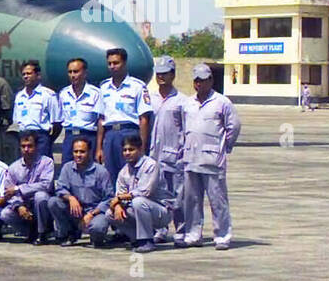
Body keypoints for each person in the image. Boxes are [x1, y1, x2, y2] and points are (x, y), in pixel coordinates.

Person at [180, 63, 241, 250]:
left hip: (213, 159)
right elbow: (184, 128)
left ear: (211, 81)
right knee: (191, 200)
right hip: (191, 158)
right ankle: (193, 234)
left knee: (218, 200)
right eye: (196, 81)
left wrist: (225, 146)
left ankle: (222, 236)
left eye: (203, 80)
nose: (199, 84)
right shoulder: (188, 103)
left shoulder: (222, 102)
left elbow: (234, 127)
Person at [102, 134, 169, 253]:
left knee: (138, 201)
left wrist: (119, 198)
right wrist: (117, 206)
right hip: (139, 210)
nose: (127, 153)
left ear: (140, 149)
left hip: (160, 212)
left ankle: (147, 241)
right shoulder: (124, 171)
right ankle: (137, 239)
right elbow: (119, 193)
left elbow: (145, 191)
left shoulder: (151, 165)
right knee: (110, 213)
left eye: (131, 149)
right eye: (125, 150)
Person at [96, 46, 153, 182]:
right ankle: (114, 202)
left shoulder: (137, 86)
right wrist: (99, 148)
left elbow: (144, 119)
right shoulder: (104, 88)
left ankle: (130, 202)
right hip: (110, 135)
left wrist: (142, 147)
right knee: (110, 175)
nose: (112, 66)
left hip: (129, 133)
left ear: (125, 63)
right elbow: (101, 120)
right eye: (109, 63)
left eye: (116, 63)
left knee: (131, 175)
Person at [149, 55, 187, 243]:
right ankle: (160, 229)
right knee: (156, 194)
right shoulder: (150, 99)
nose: (161, 77)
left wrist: (183, 151)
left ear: (173, 75)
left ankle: (181, 231)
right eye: (158, 74)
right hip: (153, 155)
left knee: (178, 196)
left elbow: (187, 129)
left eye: (165, 74)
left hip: (174, 155)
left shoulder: (182, 101)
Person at [47, 138, 112, 246]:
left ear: (90, 152)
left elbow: (109, 198)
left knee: (98, 228)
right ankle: (69, 233)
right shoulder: (67, 168)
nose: (78, 155)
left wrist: (91, 214)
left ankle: (96, 237)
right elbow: (60, 189)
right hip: (76, 210)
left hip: (95, 211)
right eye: (75, 151)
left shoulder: (101, 171)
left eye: (82, 151)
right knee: (53, 202)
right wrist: (70, 198)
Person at [0, 132, 55, 243]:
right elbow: (8, 192)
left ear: (37, 147)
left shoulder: (47, 162)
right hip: (24, 205)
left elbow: (46, 185)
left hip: (41, 205)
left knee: (40, 196)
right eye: (23, 146)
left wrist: (19, 189)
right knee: (5, 214)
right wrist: (19, 206)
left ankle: (42, 232)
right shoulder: (13, 167)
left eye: (30, 146)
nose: (26, 149)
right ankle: (30, 233)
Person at [11, 61, 62, 162]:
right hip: (24, 137)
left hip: (41, 138)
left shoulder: (48, 95)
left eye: (29, 74)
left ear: (38, 75)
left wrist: (48, 140)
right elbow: (16, 121)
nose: (26, 76)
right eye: (24, 74)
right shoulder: (20, 96)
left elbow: (57, 123)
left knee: (42, 169)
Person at [58, 57, 102, 166]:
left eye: (76, 71)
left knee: (90, 172)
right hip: (70, 137)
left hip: (89, 136)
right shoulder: (63, 94)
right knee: (67, 170)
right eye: (70, 72)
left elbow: (101, 121)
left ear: (85, 73)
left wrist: (99, 148)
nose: (73, 75)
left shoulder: (95, 93)